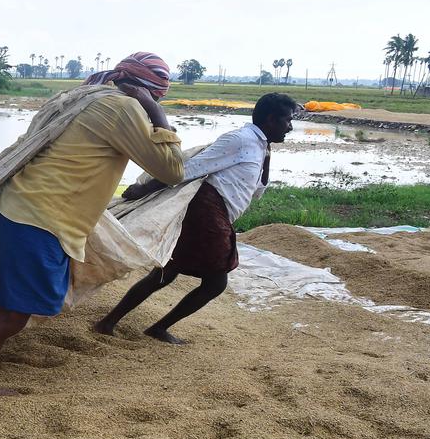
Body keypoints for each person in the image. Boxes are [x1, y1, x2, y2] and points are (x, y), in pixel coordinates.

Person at [0, 52, 186, 418]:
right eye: (158, 94)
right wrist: (156, 114)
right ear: (148, 90)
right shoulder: (124, 109)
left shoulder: (87, 96)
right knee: (13, 315)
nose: (157, 101)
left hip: (20, 210)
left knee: (7, 306)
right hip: (41, 219)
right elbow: (171, 170)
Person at [93, 92, 300, 343]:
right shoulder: (240, 140)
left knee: (166, 273)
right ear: (270, 119)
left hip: (214, 214)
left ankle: (110, 323)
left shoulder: (258, 146)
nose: (290, 126)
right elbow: (189, 169)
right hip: (206, 213)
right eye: (287, 120)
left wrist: (267, 153)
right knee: (215, 283)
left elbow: (257, 192)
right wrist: (145, 189)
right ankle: (150, 328)